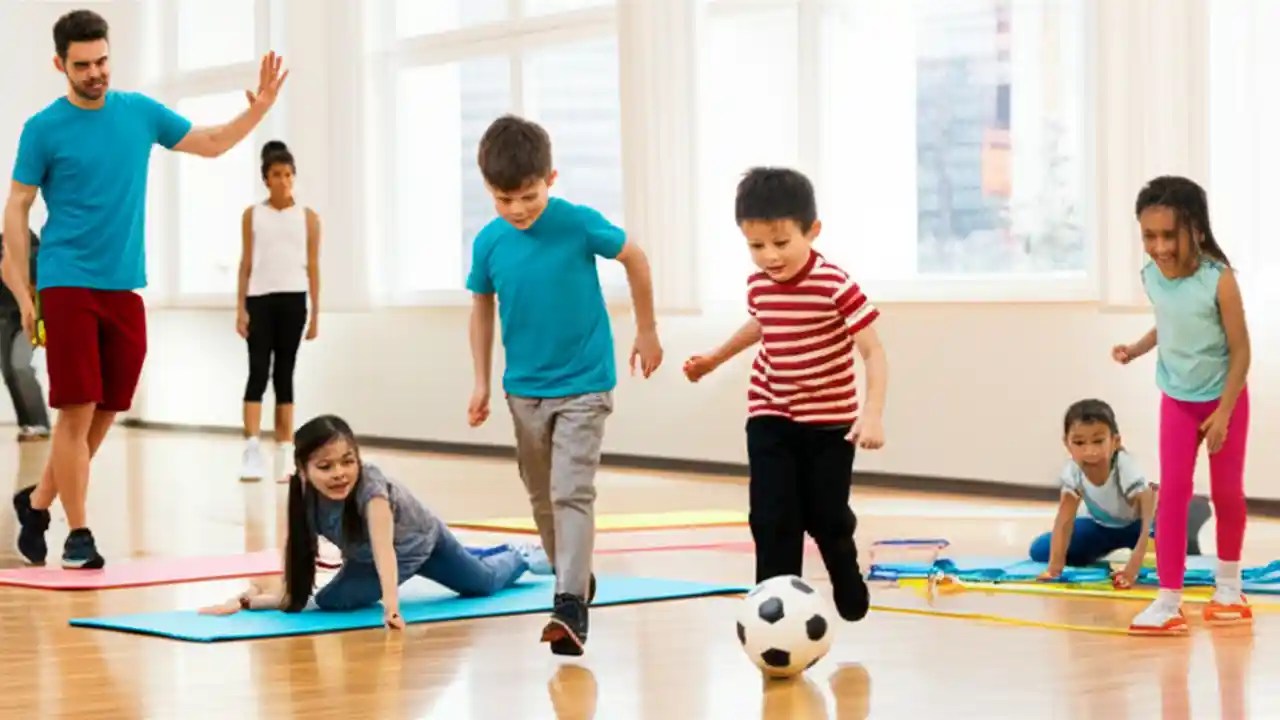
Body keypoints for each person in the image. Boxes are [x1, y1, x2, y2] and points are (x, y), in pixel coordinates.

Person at [4, 9, 288, 569]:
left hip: (124, 285)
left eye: (103, 60)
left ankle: (37, 505)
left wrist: (256, 112)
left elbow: (208, 143)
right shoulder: (42, 128)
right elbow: (16, 206)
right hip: (65, 281)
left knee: (109, 408)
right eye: (82, 65)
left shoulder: (138, 113)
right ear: (59, 64)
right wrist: (25, 294)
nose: (96, 73)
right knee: (77, 408)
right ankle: (79, 534)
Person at [465, 114, 663, 656]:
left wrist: (646, 330)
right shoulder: (488, 242)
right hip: (522, 388)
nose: (518, 209)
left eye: (528, 195)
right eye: (505, 199)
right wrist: (482, 380)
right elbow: (482, 307)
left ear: (550, 179)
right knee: (540, 495)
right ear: (489, 189)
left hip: (584, 382)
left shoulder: (576, 223)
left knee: (569, 490)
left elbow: (635, 258)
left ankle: (569, 604)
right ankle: (571, 577)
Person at [682, 167, 888, 623]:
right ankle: (776, 609)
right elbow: (762, 323)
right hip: (770, 412)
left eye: (781, 243)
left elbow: (873, 351)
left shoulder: (835, 285)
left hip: (829, 423)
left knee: (827, 518)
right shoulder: (759, 283)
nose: (769, 257)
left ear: (812, 231)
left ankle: (844, 571)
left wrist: (871, 414)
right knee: (772, 516)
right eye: (756, 246)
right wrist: (714, 359)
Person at [200, 414, 552, 624]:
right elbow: (293, 567)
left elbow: (386, 552)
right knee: (330, 602)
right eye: (325, 466)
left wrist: (392, 610)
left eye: (347, 461)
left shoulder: (372, 491)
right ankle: (480, 552)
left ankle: (518, 554)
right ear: (303, 471)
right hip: (365, 559)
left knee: (483, 584)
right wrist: (246, 601)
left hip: (422, 544)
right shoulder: (301, 497)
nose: (339, 473)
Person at [1114, 175, 1252, 635]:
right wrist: (1136, 349)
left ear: (1194, 228)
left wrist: (1225, 412)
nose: (1158, 247)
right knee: (1172, 493)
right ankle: (1168, 598)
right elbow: (1168, 325)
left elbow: (1242, 351)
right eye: (1148, 236)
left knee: (1226, 492)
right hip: (1177, 399)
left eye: (1167, 235)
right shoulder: (1152, 276)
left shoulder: (1219, 280)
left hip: (1223, 397)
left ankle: (1228, 584)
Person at [235, 140, 320, 481]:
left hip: (294, 300)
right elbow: (246, 262)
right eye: (275, 174)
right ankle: (252, 449)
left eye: (287, 174)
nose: (283, 180)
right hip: (259, 300)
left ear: (294, 178)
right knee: (258, 373)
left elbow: (313, 265)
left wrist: (316, 312)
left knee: (284, 375)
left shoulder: (308, 218)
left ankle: (285, 452)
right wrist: (240, 308)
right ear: (265, 179)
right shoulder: (252, 215)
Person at [0, 229, 50, 441]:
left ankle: (39, 424)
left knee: (20, 365)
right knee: (9, 372)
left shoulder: (33, 252)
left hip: (30, 317)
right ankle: (28, 424)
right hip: (5, 318)